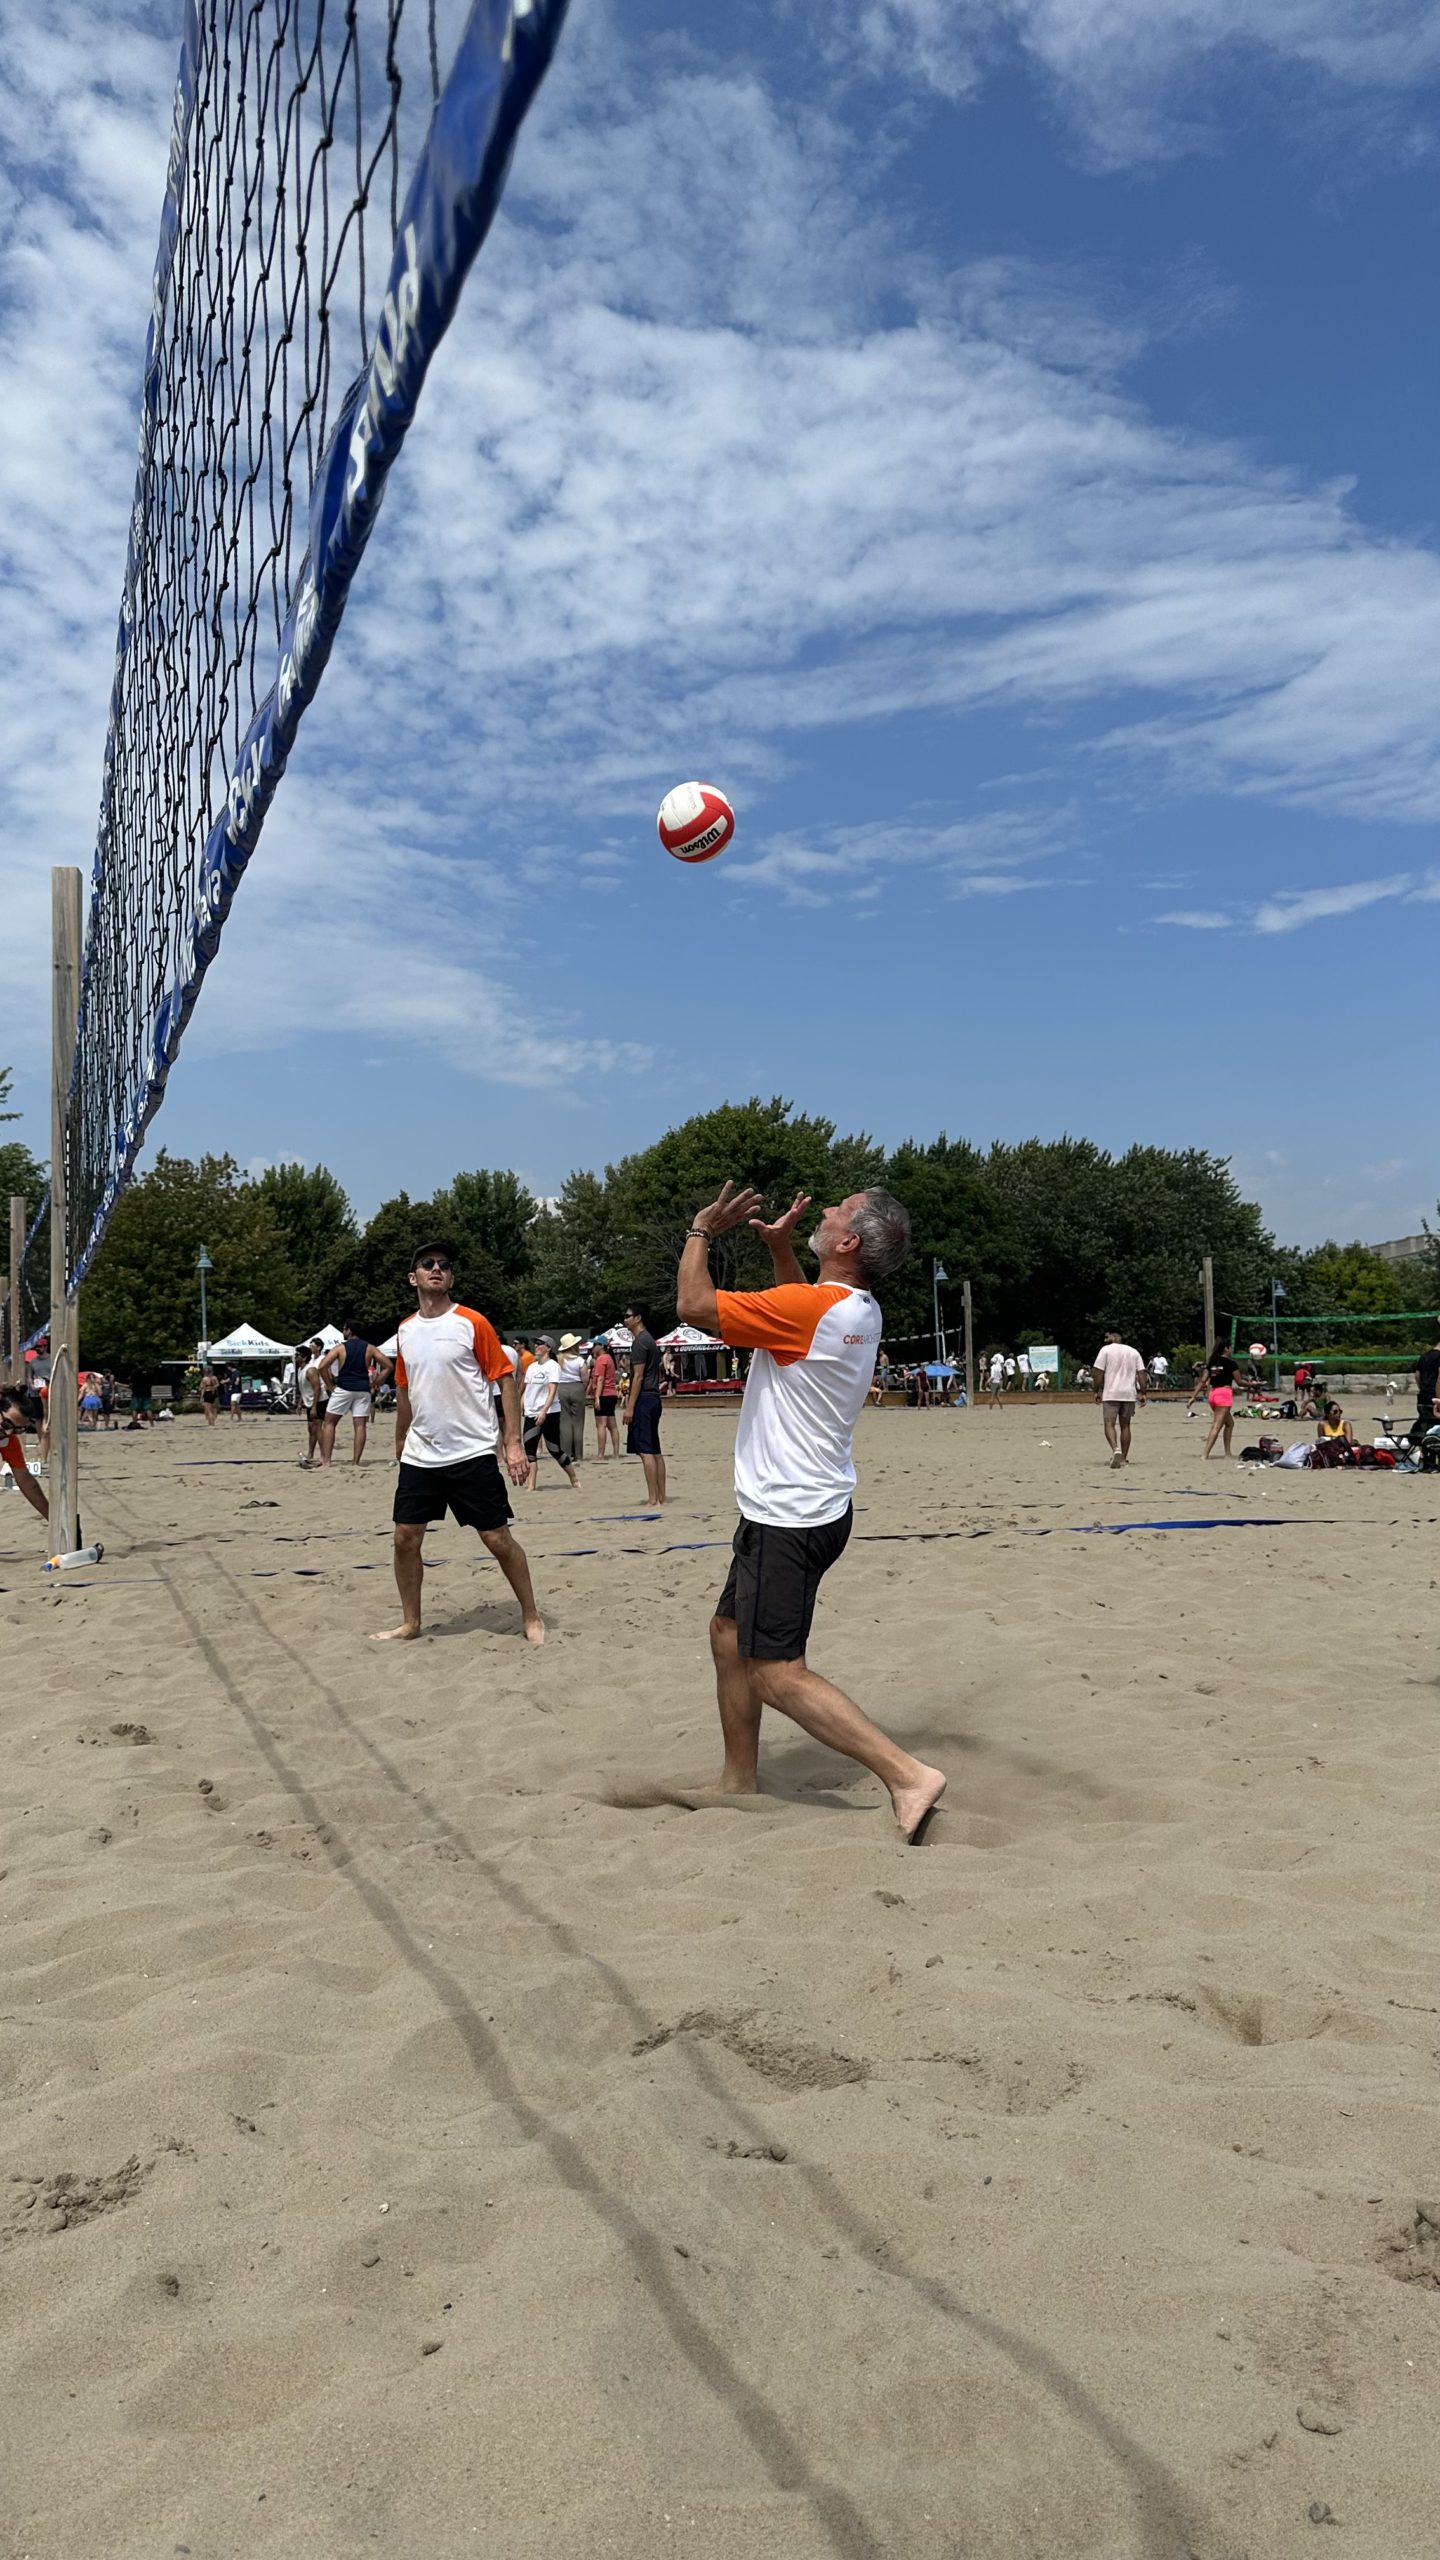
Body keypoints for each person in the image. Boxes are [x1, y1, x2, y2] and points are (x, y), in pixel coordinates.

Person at [676, 1181, 946, 1844]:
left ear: (848, 1241)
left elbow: (694, 1305)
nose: (824, 1211)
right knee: (727, 1637)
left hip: (788, 1515)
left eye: (837, 1211)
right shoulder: (856, 1307)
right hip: (811, 1506)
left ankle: (907, 1775)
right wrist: (780, 1252)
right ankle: (740, 1778)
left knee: (775, 1672)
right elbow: (794, 1317)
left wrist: (702, 1230)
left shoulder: (815, 1309)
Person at [371, 1244, 541, 1644]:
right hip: (421, 1454)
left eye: (445, 1266)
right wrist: (400, 1439)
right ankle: (411, 1623)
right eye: (428, 1264)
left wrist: (513, 1443)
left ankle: (531, 1615)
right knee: (404, 1538)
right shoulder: (405, 1330)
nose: (437, 1269)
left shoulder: (472, 1322)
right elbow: (405, 1389)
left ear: (451, 1278)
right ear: (413, 1277)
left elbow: (505, 1379)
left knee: (497, 1539)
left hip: (472, 1451)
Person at [318, 1319, 390, 1467]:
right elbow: (388, 1366)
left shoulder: (340, 1348)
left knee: (330, 1423)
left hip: (344, 1387)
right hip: (363, 1389)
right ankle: (355, 1462)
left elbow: (322, 1366)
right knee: (360, 1426)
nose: (343, 1332)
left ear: (349, 1331)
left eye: (344, 1329)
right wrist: (376, 1382)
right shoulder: (370, 1348)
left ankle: (326, 1461)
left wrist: (330, 1385)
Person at [623, 1303, 666, 1507]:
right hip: (654, 1398)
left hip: (645, 1398)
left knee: (646, 1450)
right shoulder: (650, 1340)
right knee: (655, 1449)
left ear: (638, 1318)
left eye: (628, 1316)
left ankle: (653, 1498)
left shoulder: (640, 1342)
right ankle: (661, 1496)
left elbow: (638, 1377)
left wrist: (630, 1407)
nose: (625, 1320)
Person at [521, 1337, 579, 1489]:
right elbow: (527, 1390)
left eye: (539, 1344)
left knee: (554, 1448)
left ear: (548, 1348)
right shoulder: (532, 1367)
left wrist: (544, 1411)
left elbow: (552, 1391)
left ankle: (573, 1478)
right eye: (536, 1343)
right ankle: (531, 1486)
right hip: (530, 1412)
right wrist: (520, 1407)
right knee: (529, 1448)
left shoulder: (553, 1366)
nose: (536, 1346)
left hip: (549, 1412)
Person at [1092, 1331, 1147, 1468]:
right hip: (1128, 1393)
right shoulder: (1133, 1352)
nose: (1105, 1340)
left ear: (1115, 1337)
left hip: (1111, 1392)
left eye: (1107, 1336)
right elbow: (1141, 1373)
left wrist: (1096, 1390)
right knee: (1125, 1426)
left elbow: (1098, 1372)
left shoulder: (1105, 1350)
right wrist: (1143, 1393)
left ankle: (1116, 1449)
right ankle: (1123, 1458)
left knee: (1109, 1424)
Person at [1, 1384, 49, 1540]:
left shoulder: (8, 1441)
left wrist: (55, 1519)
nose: (8, 1433)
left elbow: (26, 1481)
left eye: (18, 1430)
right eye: (7, 1425)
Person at [1187, 1342, 1239, 1459]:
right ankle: (1205, 1454)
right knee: (1216, 1426)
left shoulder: (1212, 1362)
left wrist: (1193, 1397)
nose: (1231, 1350)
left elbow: (1203, 1381)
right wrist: (1253, 1384)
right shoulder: (1231, 1364)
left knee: (1229, 1424)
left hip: (1213, 1394)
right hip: (1224, 1394)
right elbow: (1240, 1382)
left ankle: (1227, 1453)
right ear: (1226, 1348)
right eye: (1230, 1348)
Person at [555, 1334, 590, 1466]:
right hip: (577, 1387)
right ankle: (578, 1454)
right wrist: (582, 1389)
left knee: (565, 1422)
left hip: (562, 1388)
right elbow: (585, 1378)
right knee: (578, 1422)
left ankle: (567, 1453)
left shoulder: (558, 1359)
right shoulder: (580, 1360)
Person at [588, 1336, 620, 1458]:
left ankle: (601, 1454)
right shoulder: (610, 1359)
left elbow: (600, 1379)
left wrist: (597, 1397)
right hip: (611, 1393)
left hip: (604, 1394)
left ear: (601, 1346)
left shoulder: (601, 1359)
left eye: (595, 1345)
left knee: (601, 1425)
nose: (593, 1347)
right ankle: (616, 1453)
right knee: (612, 1425)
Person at [1412, 1331, 1440, 1444]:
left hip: (1423, 1400)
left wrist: (1424, 1390)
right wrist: (1438, 1397)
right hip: (1436, 1401)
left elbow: (1417, 1376)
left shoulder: (1424, 1356)